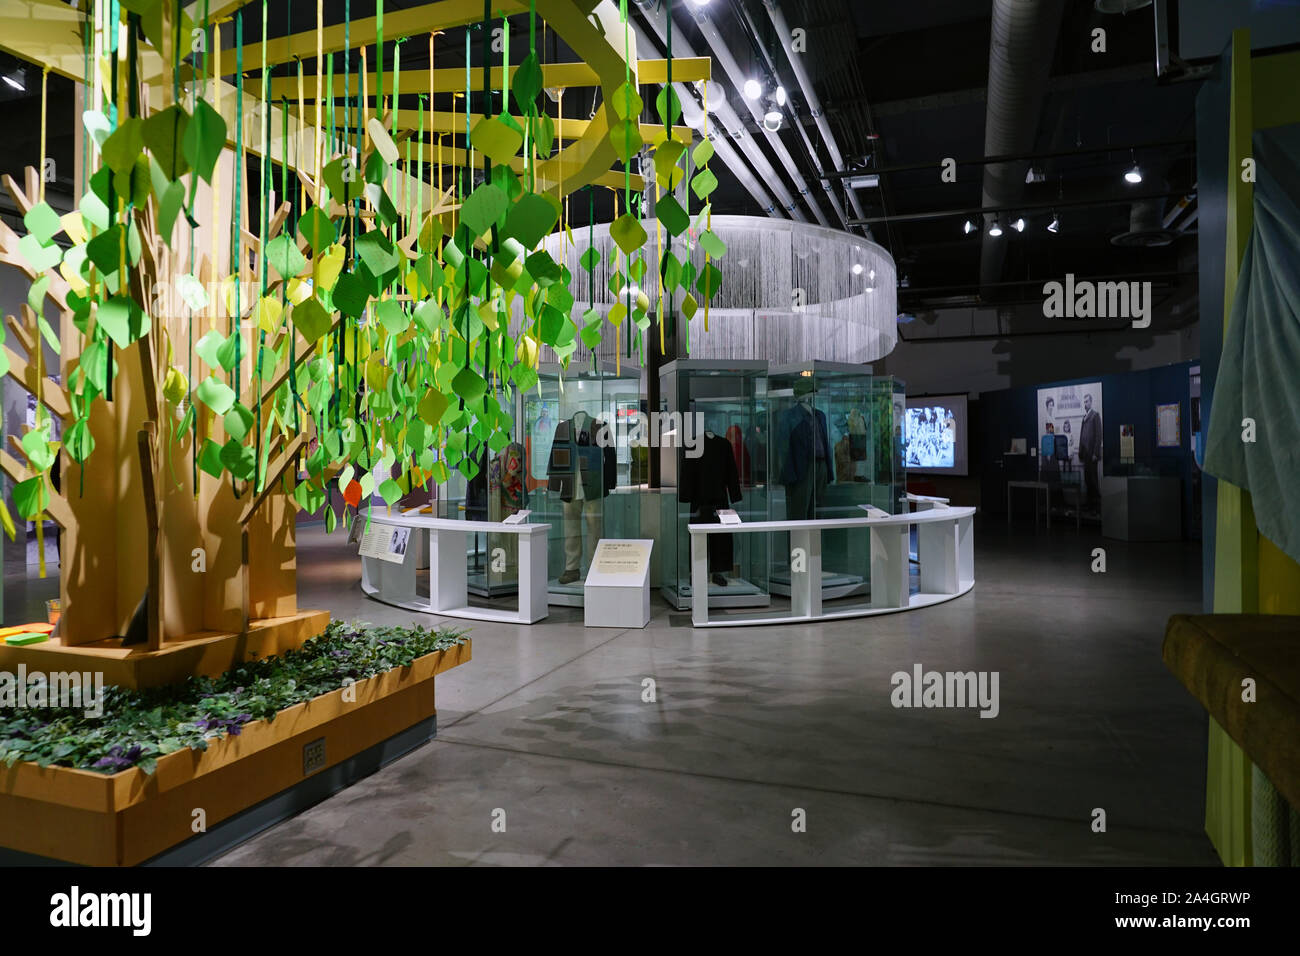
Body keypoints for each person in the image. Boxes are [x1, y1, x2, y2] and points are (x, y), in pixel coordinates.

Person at [1078, 392, 1102, 506]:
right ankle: (1089, 505)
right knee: (1087, 480)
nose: (1085, 404)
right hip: (1085, 454)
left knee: (1093, 480)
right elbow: (1081, 436)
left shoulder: (1095, 415)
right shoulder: (1084, 418)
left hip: (1092, 454)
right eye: (1084, 402)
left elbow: (1098, 435)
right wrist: (1080, 453)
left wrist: (1095, 453)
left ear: (1091, 402)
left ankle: (1097, 507)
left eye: (1087, 401)